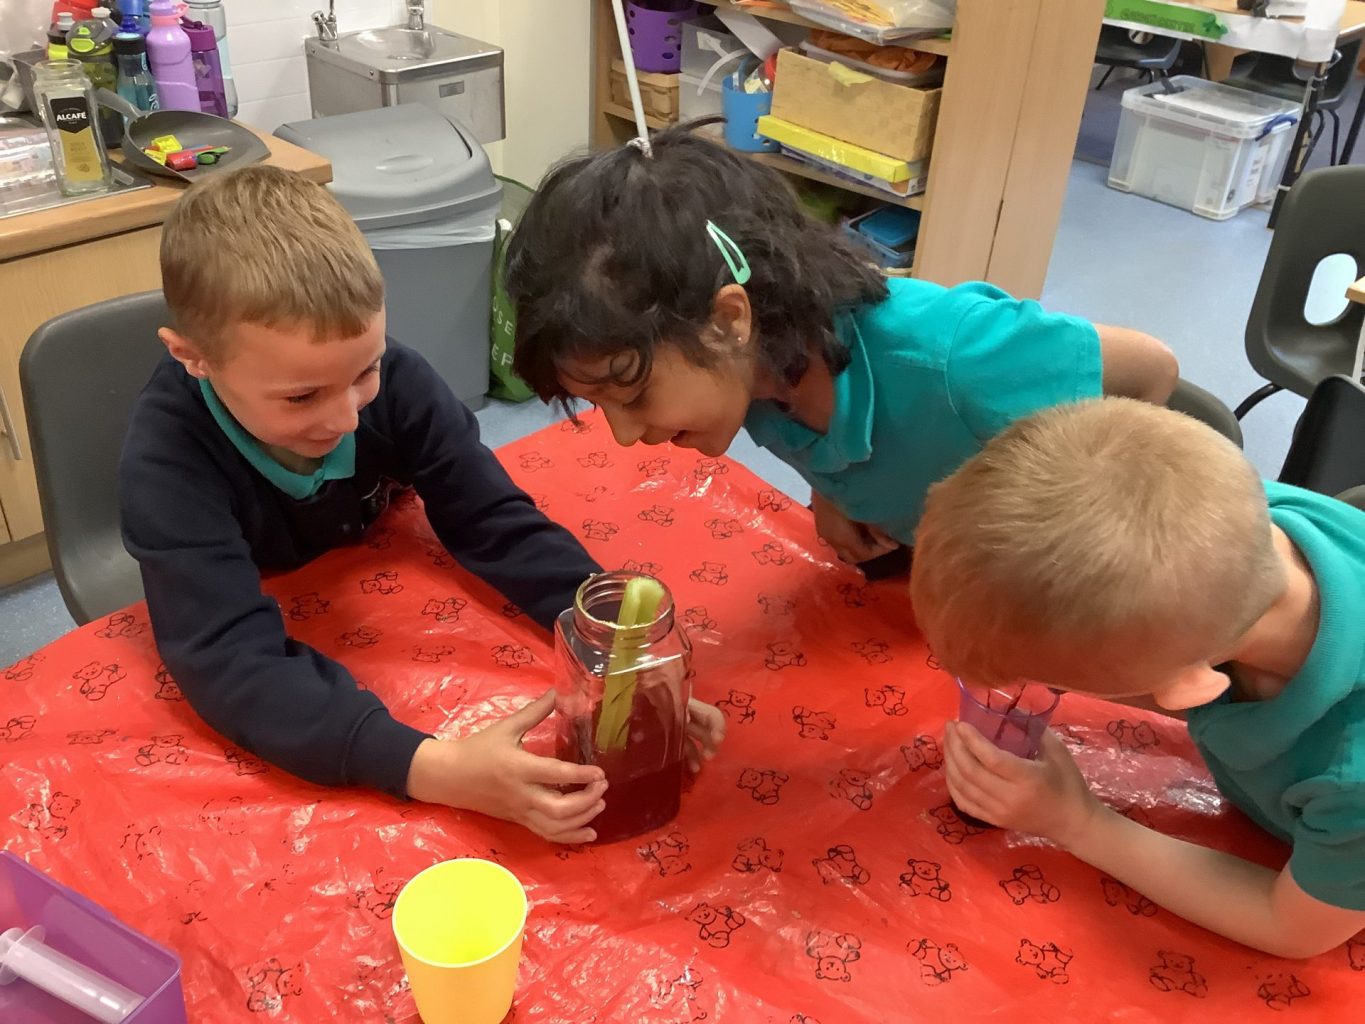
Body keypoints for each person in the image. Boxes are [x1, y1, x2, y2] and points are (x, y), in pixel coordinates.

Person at [120, 166, 724, 845]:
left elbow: (493, 519)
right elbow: (228, 659)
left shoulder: (400, 383)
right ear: (193, 358)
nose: (347, 418)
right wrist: (433, 767)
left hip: (374, 566)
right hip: (251, 587)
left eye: (364, 371)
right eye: (300, 398)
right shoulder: (165, 458)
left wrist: (619, 656)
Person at [506, 123, 1178, 570]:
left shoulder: (954, 359)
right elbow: (844, 442)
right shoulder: (754, 379)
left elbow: (1151, 367)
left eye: (632, 393)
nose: (625, 436)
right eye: (597, 404)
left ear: (729, 318)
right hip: (931, 573)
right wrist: (838, 495)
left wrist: (1096, 546)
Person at [909, 397, 1365, 957]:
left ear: (1190, 691)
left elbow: (1291, 928)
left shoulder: (1353, 778)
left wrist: (1077, 822)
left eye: (1048, 683)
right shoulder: (1224, 520)